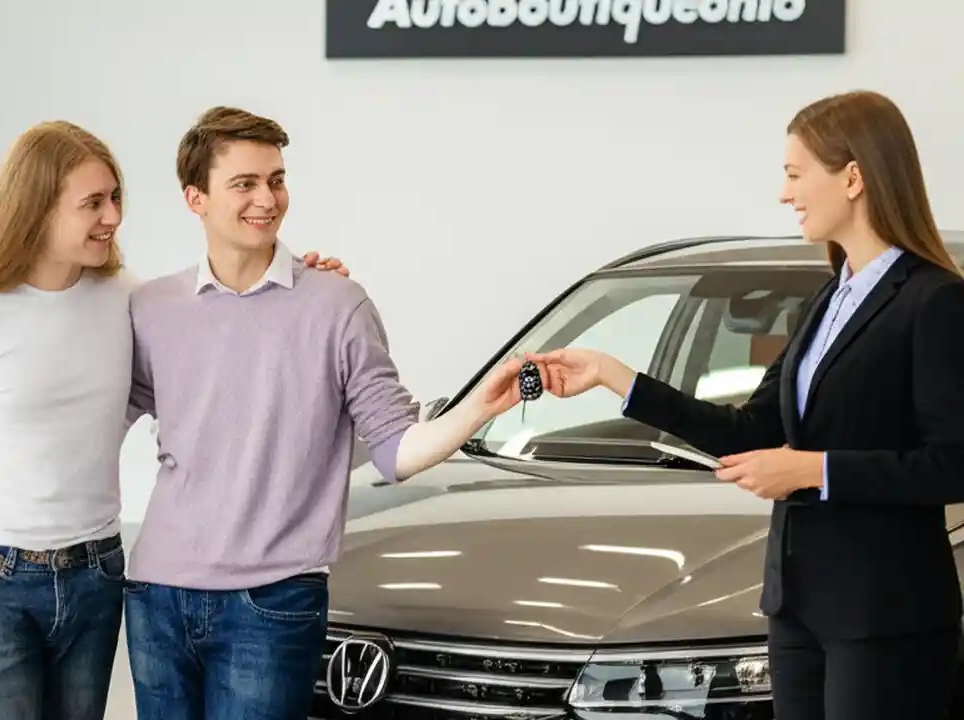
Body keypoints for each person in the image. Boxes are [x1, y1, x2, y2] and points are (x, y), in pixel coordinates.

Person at [0, 119, 348, 720]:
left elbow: (221, 321)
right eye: (92, 203)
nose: (113, 217)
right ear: (37, 209)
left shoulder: (125, 298)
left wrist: (304, 282)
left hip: (96, 574)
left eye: (115, 198)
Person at [533, 90, 964, 720]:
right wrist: (616, 377)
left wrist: (813, 470)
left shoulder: (935, 302)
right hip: (797, 609)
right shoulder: (827, 300)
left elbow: (951, 464)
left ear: (853, 177)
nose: (783, 194)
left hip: (883, 616)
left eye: (794, 175)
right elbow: (751, 430)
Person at [122, 105, 530, 720]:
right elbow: (93, 422)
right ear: (195, 198)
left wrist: (480, 406)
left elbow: (396, 451)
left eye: (277, 179)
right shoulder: (152, 308)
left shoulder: (338, 306)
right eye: (245, 183)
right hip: (156, 593)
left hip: (272, 602)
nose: (268, 198)